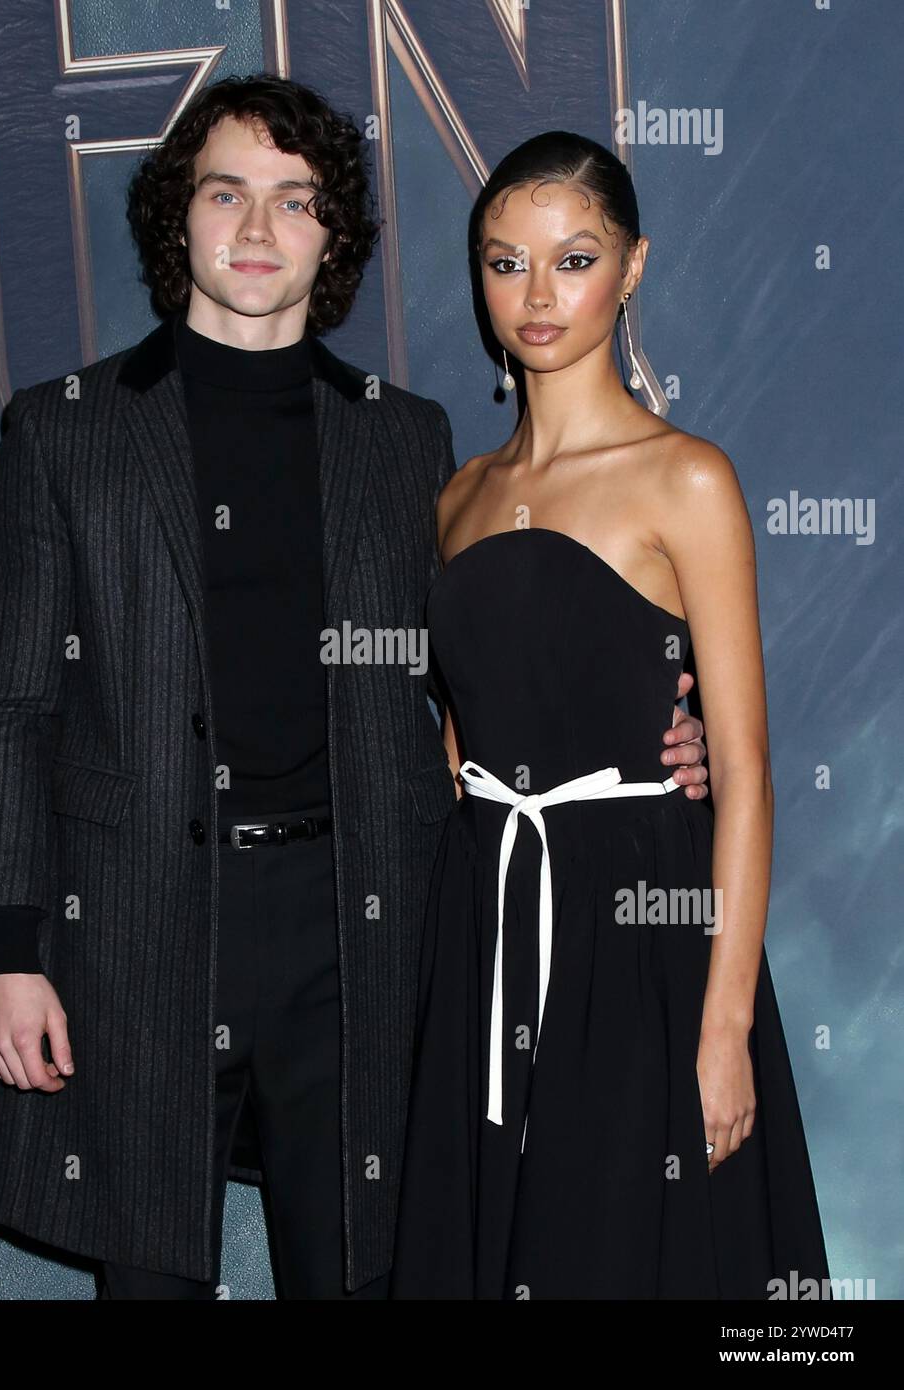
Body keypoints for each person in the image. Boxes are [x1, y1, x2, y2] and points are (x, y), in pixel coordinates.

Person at [0, 80, 709, 1301]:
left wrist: (668, 732)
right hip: (139, 923)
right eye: (225, 193)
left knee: (366, 1278)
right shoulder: (65, 432)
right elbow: (10, 709)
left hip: (361, 927)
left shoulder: (401, 440)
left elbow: (494, 659)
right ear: (179, 219)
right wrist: (6, 945)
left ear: (334, 234)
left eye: (294, 200)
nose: (257, 229)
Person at [390, 131, 830, 1299]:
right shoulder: (457, 498)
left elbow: (741, 767)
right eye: (504, 261)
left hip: (636, 937)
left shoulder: (685, 478)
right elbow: (464, 744)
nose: (536, 297)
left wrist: (722, 1020)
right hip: (484, 926)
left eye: (573, 259)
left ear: (630, 268)